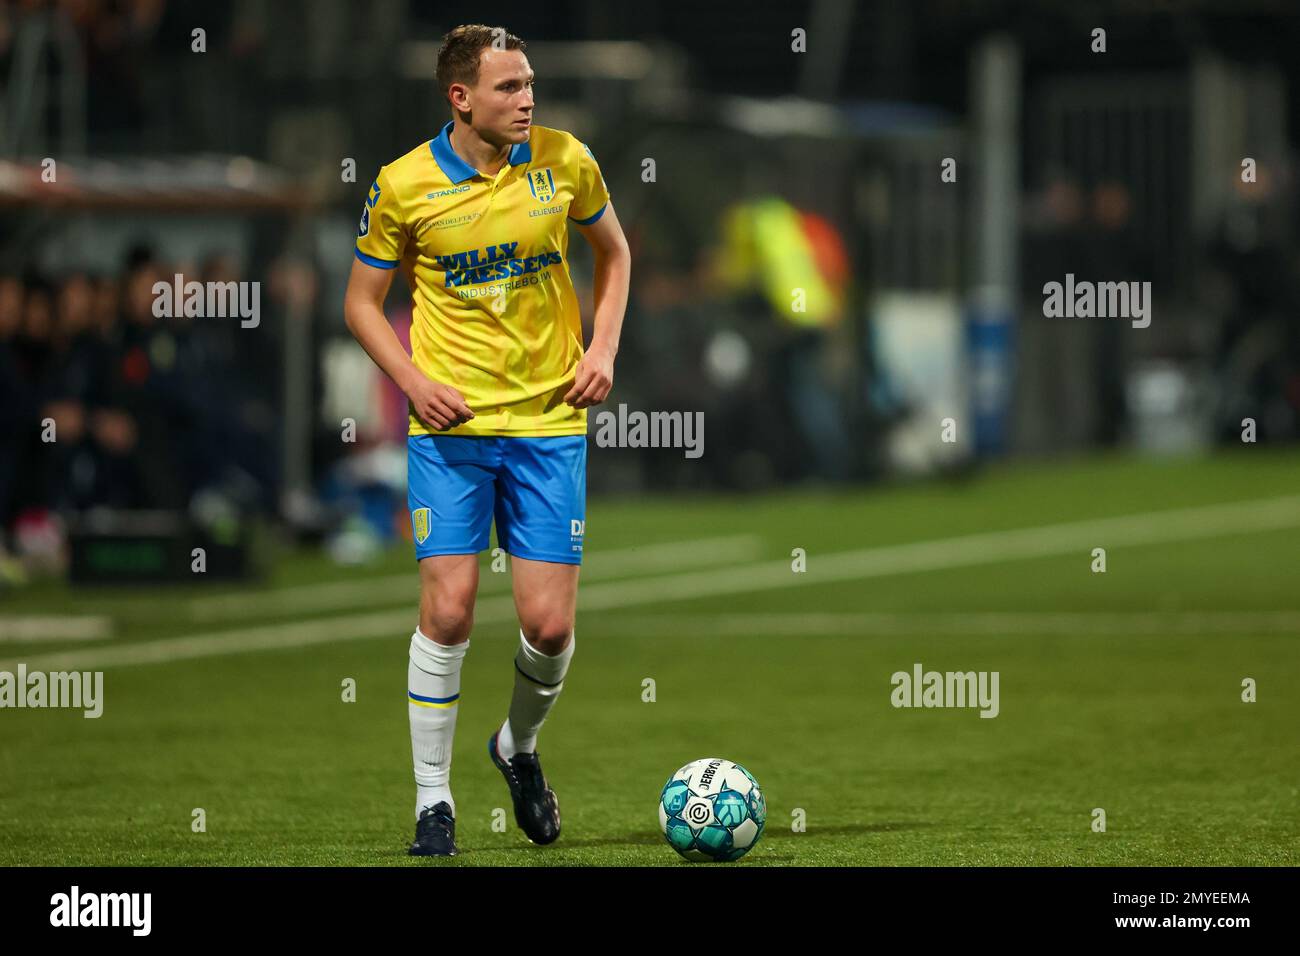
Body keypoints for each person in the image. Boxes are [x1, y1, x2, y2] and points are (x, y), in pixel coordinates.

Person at [342, 23, 630, 857]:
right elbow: (361, 303)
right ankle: (434, 803)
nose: (527, 98)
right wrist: (413, 384)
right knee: (451, 608)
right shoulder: (403, 185)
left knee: (546, 627)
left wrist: (604, 349)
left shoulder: (565, 161)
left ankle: (518, 748)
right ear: (460, 97)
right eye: (509, 87)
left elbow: (614, 253)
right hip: (453, 428)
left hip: (547, 423)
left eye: (530, 83)